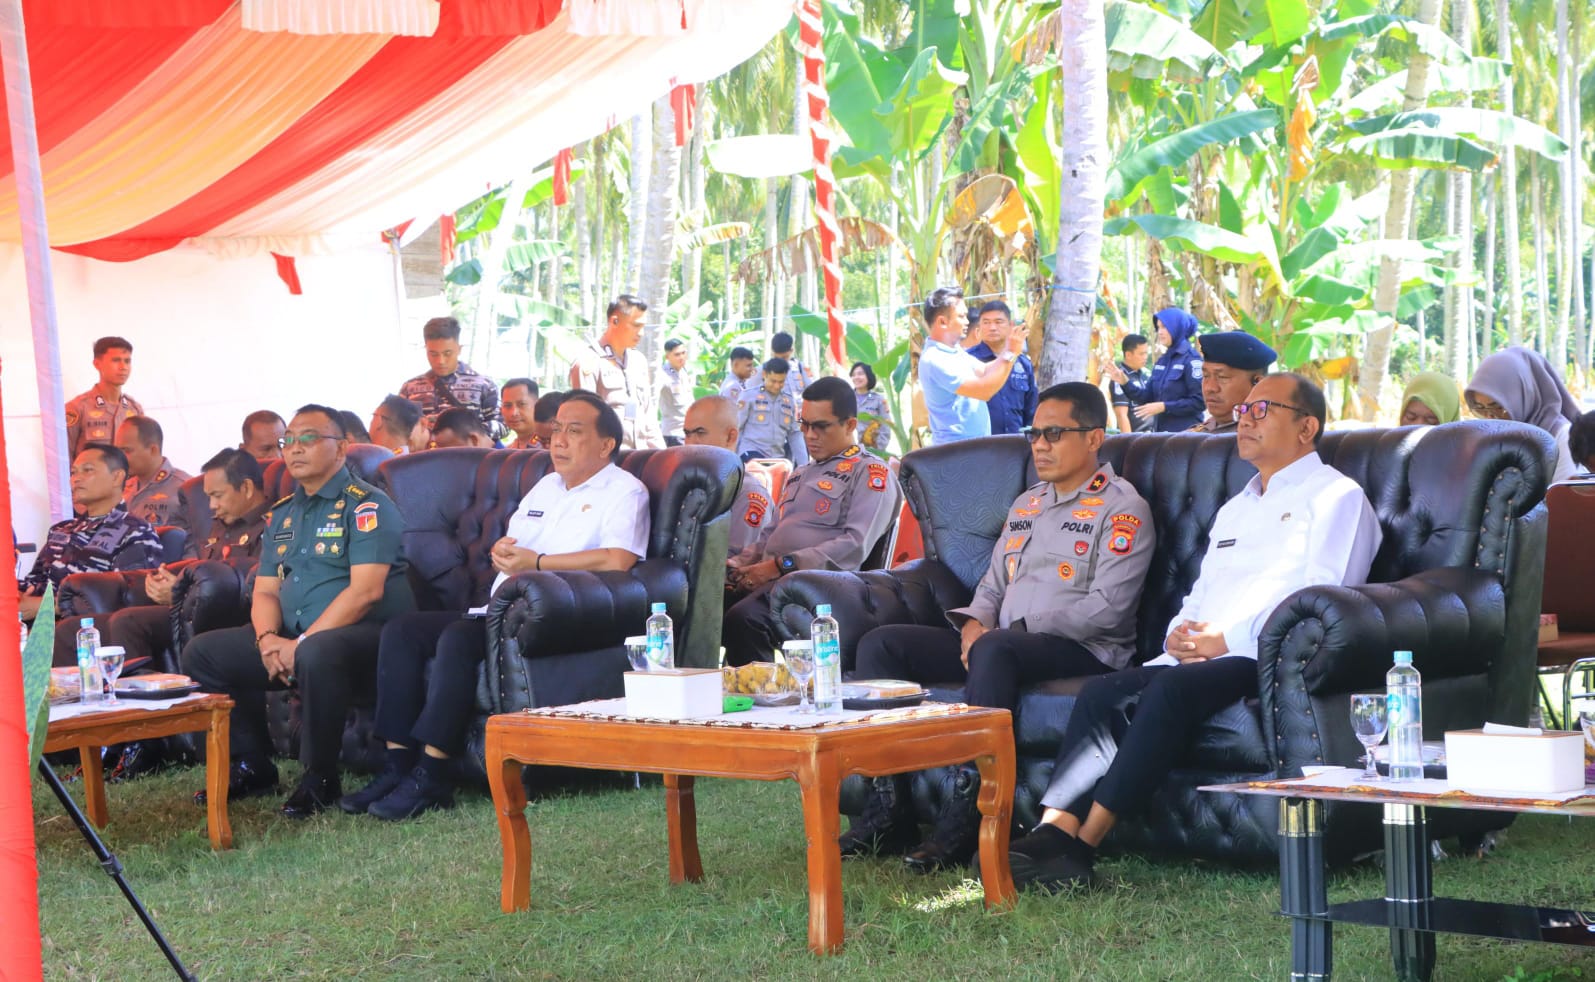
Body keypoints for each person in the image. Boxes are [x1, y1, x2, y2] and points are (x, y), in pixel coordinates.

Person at [1006, 373, 1383, 892]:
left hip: (1267, 659)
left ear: (1306, 427)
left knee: (1170, 690)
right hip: (1200, 654)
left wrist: (1224, 641)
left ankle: (1083, 845)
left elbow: (1320, 600)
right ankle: (1053, 832)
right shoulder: (1236, 507)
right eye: (1243, 411)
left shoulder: (1336, 497)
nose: (1244, 420)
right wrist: (1177, 636)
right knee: (1102, 693)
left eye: (1261, 410)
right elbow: (1202, 593)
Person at [844, 383, 1156, 871]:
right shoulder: (1028, 504)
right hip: (1005, 645)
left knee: (997, 649)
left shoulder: (1122, 508)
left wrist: (1010, 631)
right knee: (882, 645)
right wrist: (974, 625)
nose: (1040, 445)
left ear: (1094, 438)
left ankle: (969, 814)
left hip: (1084, 650)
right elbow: (993, 585)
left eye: (1054, 434)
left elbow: (1108, 610)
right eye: (1035, 433)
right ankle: (888, 808)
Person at [340, 391, 649, 820]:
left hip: (549, 618)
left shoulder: (624, 491)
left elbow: (618, 560)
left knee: (457, 639)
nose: (559, 440)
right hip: (496, 611)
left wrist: (536, 563)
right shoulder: (547, 486)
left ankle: (432, 773)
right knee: (403, 630)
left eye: (574, 432)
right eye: (557, 429)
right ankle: (397, 764)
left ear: (605, 445)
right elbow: (515, 542)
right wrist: (503, 550)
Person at [182, 405, 412, 818]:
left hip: (370, 635)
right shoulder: (284, 513)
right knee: (204, 653)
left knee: (317, 652)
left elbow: (365, 593)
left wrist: (300, 643)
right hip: (294, 637)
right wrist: (268, 640)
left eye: (309, 438)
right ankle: (249, 764)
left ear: (341, 448)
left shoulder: (366, 506)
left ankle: (320, 776)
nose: (295, 448)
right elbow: (266, 591)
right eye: (288, 440)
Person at [721, 377, 899, 665]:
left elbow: (854, 545)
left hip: (820, 588)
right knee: (703, 605)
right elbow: (768, 536)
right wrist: (739, 564)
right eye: (804, 425)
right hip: (774, 580)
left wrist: (781, 565)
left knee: (743, 619)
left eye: (821, 426)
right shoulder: (801, 473)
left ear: (850, 425)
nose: (809, 435)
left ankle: (762, 691)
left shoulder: (869, 473)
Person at [56, 450, 271, 670]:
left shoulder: (272, 527)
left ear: (246, 488)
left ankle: (140, 690)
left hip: (228, 617)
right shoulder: (222, 524)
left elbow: (249, 587)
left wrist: (180, 594)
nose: (212, 506)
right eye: (209, 497)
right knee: (70, 629)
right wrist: (171, 583)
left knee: (128, 622)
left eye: (218, 495)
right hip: (193, 608)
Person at [18, 444, 163, 623]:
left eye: (87, 470)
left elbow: (130, 600)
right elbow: (35, 581)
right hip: (33, 625)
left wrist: (49, 606)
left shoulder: (135, 532)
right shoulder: (61, 529)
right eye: (73, 473)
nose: (76, 479)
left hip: (84, 631)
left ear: (117, 477)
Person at [918, 286, 1023, 445]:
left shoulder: (954, 351)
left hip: (973, 448)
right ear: (942, 322)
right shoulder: (935, 359)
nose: (967, 322)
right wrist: (1010, 353)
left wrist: (1010, 350)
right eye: (961, 316)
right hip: (957, 451)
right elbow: (984, 391)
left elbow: (985, 370)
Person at [1465, 346, 1584, 483]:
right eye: (1481, 408)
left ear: (1524, 396)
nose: (1489, 417)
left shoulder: (1561, 437)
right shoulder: (1490, 436)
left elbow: (1564, 493)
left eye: (1497, 407)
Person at [569, 293, 664, 450]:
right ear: (614, 321)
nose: (641, 333)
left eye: (643, 327)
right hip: (609, 457)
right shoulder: (589, 363)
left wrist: (662, 456)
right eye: (636, 326)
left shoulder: (638, 361)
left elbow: (649, 419)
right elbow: (584, 423)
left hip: (642, 456)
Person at [682, 395, 773, 556]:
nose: (690, 443)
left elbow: (738, 562)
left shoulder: (746, 493)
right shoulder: (685, 483)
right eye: (687, 434)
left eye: (700, 433)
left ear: (730, 437)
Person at [397, 316, 501, 432]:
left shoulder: (484, 385)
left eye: (447, 353)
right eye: (433, 354)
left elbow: (501, 424)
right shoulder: (410, 388)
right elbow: (398, 428)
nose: (440, 361)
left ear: (459, 349)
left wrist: (470, 434)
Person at [966, 301, 1039, 435]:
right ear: (979, 327)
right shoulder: (968, 360)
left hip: (1016, 442)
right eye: (986, 322)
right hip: (980, 442)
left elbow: (1031, 410)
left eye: (998, 322)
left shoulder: (1022, 363)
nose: (992, 328)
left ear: (1011, 325)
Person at [65, 336, 144, 459]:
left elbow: (142, 456)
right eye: (116, 360)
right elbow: (64, 459)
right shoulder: (77, 408)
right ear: (97, 364)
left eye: (127, 361)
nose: (123, 367)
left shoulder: (135, 410)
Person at [1185, 332, 1275, 434]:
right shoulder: (1193, 434)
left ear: (1258, 383)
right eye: (1206, 376)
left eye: (1222, 377)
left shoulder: (1271, 436)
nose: (1209, 388)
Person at [114, 416, 191, 526]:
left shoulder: (185, 488)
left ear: (153, 450)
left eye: (127, 451)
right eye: (118, 451)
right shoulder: (121, 488)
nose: (120, 458)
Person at [1138, 308, 1205, 432]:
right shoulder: (1162, 360)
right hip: (1161, 434)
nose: (1160, 332)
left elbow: (1200, 402)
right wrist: (1124, 382)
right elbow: (1146, 397)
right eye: (1158, 327)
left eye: (1164, 327)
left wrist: (1165, 407)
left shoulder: (1192, 360)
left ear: (1176, 327)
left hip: (1187, 435)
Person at [736, 357, 808, 465]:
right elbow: (737, 428)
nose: (777, 386)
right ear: (764, 374)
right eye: (773, 381)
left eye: (781, 382)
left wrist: (804, 464)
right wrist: (732, 457)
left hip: (777, 459)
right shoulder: (748, 396)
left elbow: (794, 434)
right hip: (751, 454)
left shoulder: (788, 401)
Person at [1105, 334, 1152, 434]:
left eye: (1146, 353)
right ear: (1128, 355)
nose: (1145, 357)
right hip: (1136, 437)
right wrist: (1129, 441)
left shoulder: (1144, 375)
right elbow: (1121, 415)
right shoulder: (1120, 377)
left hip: (1152, 435)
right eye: (1141, 354)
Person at [850, 362, 894, 453]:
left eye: (860, 374)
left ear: (869, 376)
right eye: (853, 375)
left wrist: (878, 448)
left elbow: (886, 425)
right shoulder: (847, 398)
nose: (856, 377)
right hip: (850, 450)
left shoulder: (878, 400)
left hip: (872, 449)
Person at [659, 339, 693, 447]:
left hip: (686, 432)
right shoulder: (662, 375)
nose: (682, 357)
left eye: (683, 353)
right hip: (672, 434)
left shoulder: (683, 372)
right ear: (667, 356)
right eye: (677, 354)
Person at [501, 378, 542, 449]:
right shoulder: (508, 451)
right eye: (507, 405)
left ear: (538, 405)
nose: (514, 413)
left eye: (522, 404)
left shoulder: (549, 447)